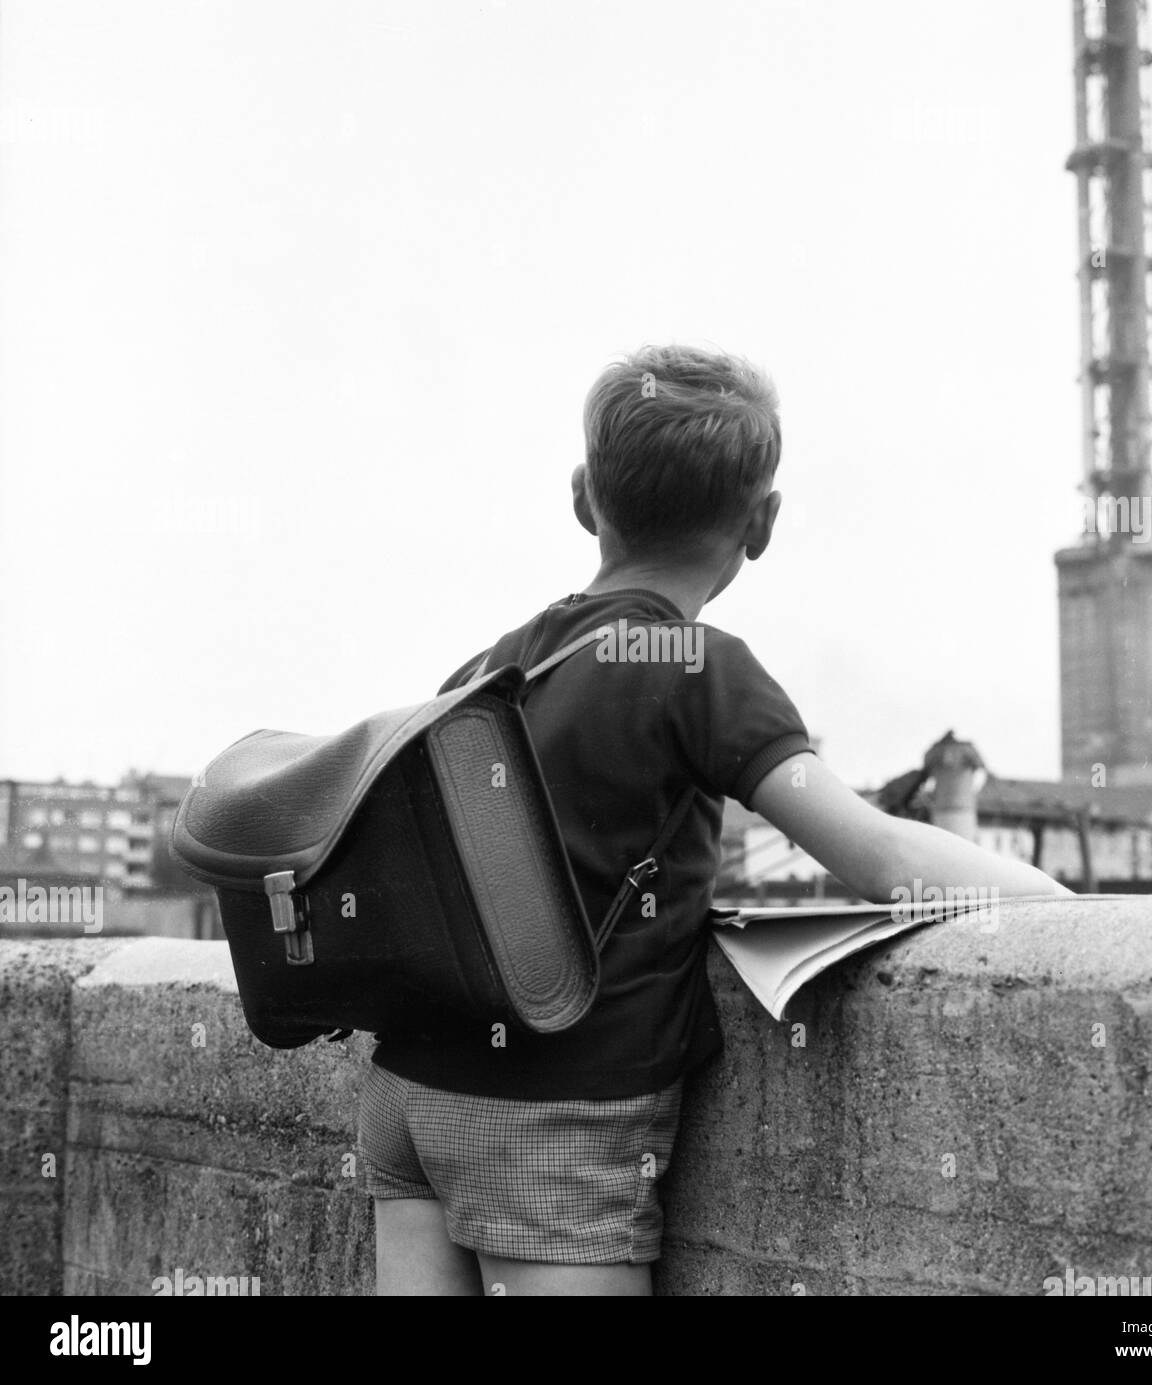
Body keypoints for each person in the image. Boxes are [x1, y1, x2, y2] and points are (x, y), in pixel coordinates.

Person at [357, 344, 1068, 1296]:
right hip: (548, 1111)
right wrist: (1073, 906)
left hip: (407, 1094)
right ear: (762, 522)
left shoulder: (487, 669)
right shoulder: (698, 666)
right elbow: (879, 854)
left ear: (584, 499)